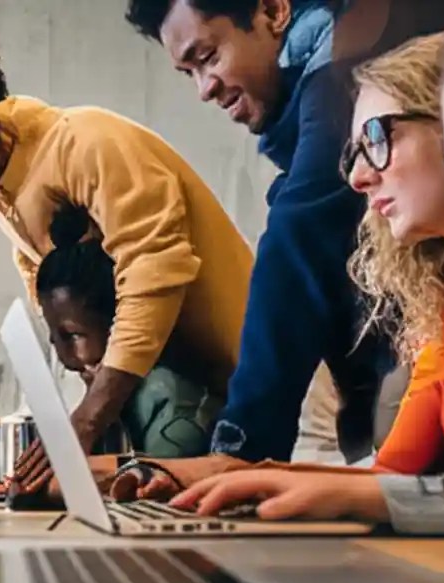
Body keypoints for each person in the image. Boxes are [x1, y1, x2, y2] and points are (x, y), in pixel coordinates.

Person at [161, 0, 444, 552]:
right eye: (354, 154)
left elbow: (412, 483)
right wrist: (240, 476)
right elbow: (403, 472)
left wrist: (249, 461)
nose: (360, 178)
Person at [0, 19, 254, 493]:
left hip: (256, 387)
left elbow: (153, 273)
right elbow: (54, 295)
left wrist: (87, 421)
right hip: (187, 398)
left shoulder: (86, 142)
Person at [123, 0, 396, 469]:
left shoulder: (340, 82)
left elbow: (295, 247)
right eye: (188, 71)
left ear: (272, 11)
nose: (203, 90)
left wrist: (238, 451)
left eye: (207, 57)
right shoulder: (308, 117)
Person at [35, 203, 222, 458]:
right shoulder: (112, 395)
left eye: (73, 335)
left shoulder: (174, 403)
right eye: (54, 338)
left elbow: (162, 482)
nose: (65, 358)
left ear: (118, 324)